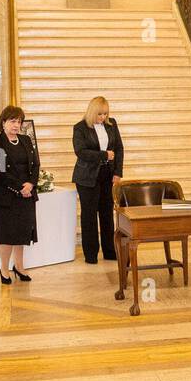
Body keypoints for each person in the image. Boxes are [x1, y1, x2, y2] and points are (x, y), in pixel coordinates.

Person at [0, 106, 41, 283]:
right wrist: (20, 187)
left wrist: (31, 184)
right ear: (3, 122)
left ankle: (19, 266)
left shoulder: (26, 140)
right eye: (12, 121)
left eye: (19, 121)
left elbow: (35, 165)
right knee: (6, 234)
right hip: (4, 196)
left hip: (26, 194)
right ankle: (4, 269)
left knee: (22, 233)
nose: (16, 125)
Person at [71, 96, 123, 264]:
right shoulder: (80, 128)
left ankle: (110, 251)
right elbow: (80, 151)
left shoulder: (112, 124)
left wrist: (118, 172)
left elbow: (119, 148)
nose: (103, 117)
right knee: (89, 215)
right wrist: (104, 155)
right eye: (100, 114)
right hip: (86, 177)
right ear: (92, 112)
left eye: (105, 114)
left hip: (107, 174)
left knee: (107, 213)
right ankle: (91, 254)